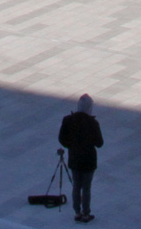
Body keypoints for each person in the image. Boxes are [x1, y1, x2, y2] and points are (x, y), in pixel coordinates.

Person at [58, 95, 104, 223]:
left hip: (74, 158)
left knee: (76, 186)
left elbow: (62, 138)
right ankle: (86, 213)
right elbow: (99, 143)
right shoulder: (93, 123)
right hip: (89, 160)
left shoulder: (68, 120)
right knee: (86, 188)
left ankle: (77, 212)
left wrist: (71, 146)